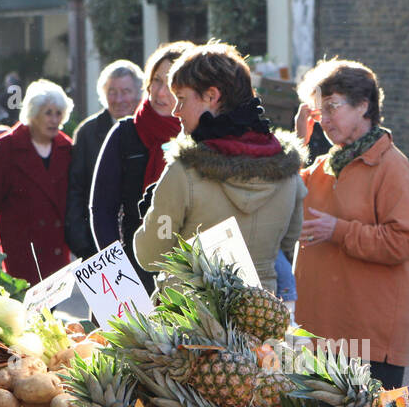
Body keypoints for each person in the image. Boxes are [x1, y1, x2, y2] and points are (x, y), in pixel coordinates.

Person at [291, 59, 409, 390]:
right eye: (318, 111)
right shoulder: (324, 166)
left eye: (332, 107)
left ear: (363, 106)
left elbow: (404, 241)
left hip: (369, 341)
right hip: (315, 337)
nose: (323, 119)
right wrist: (298, 142)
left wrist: (338, 231)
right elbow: (283, 202)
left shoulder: (392, 167)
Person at [132, 42, 304, 294]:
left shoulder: (184, 172)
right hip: (258, 318)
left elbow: (151, 256)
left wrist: (152, 214)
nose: (176, 111)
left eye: (181, 99)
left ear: (212, 96)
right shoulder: (288, 169)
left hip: (190, 319)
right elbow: (289, 243)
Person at [90, 42, 193, 293]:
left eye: (170, 83)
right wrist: (116, 271)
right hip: (131, 270)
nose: (160, 92)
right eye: (156, 80)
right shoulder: (125, 134)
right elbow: (102, 209)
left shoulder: (201, 139)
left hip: (189, 277)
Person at [0, 79, 74, 284]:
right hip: (21, 251)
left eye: (58, 113)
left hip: (56, 250)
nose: (54, 119)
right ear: (33, 114)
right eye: (48, 113)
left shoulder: (67, 148)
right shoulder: (7, 147)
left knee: (50, 310)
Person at [65, 60, 143, 260]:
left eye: (126, 91)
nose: (119, 99)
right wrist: (81, 242)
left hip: (140, 241)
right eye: (112, 92)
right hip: (95, 245)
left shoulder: (147, 129)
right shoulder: (87, 132)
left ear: (138, 93)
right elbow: (76, 189)